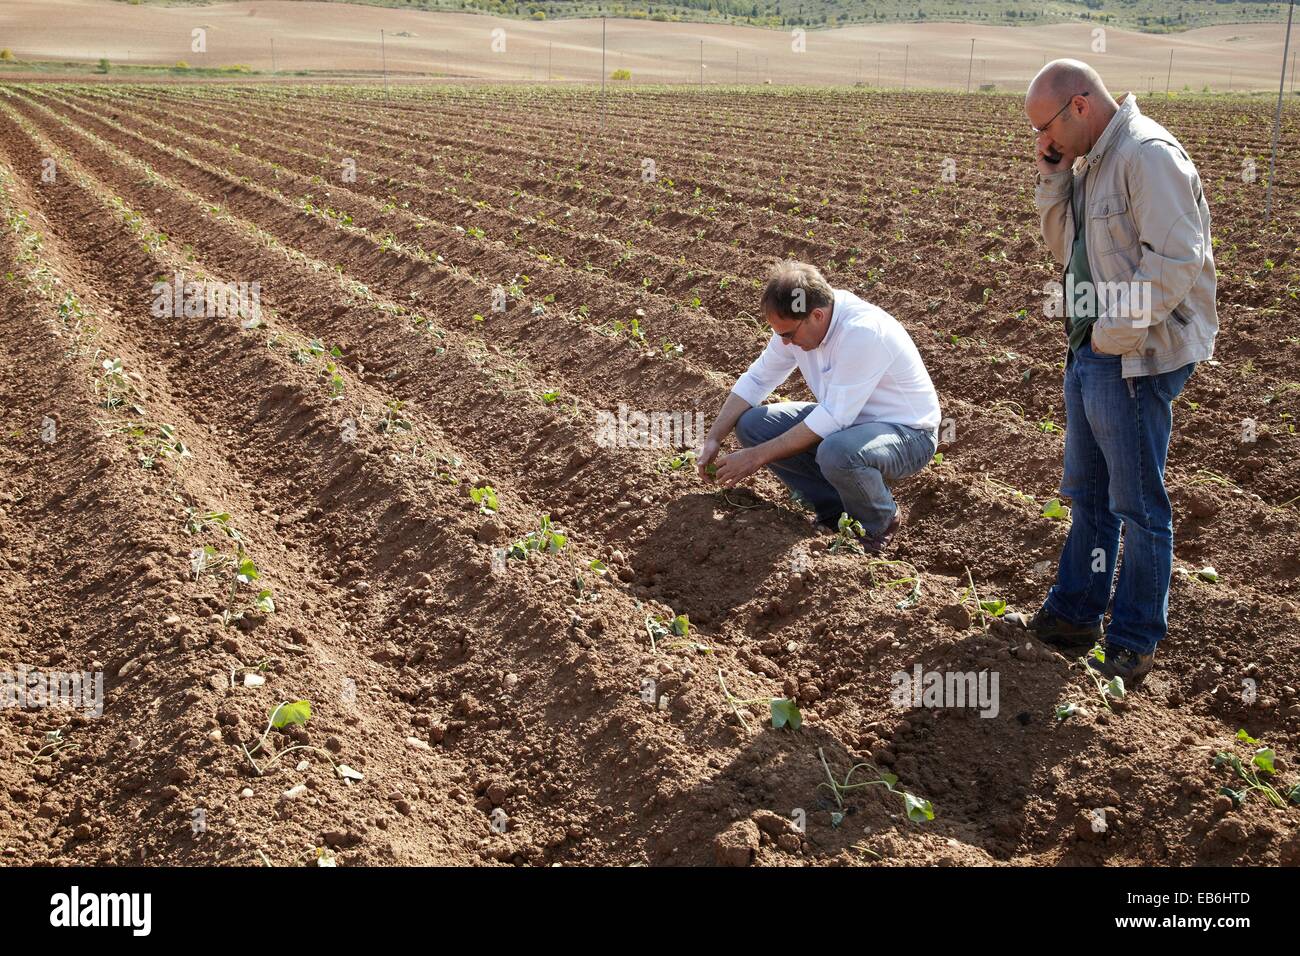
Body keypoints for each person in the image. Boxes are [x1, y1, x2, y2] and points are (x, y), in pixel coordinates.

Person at [1020, 59, 1218, 684]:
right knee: (1088, 497)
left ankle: (1132, 640)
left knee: (1136, 505)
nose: (1043, 142)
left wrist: (1110, 337)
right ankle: (1077, 614)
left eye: (1046, 128)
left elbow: (1176, 260)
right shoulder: (1090, 164)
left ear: (1080, 105)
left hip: (1132, 355)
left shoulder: (1145, 154)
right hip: (1091, 348)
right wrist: (1053, 181)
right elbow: (1066, 252)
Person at [697, 261, 941, 553]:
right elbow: (758, 379)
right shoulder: (798, 324)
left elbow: (834, 418)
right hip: (849, 426)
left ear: (816, 315)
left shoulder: (862, 332)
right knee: (753, 425)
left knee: (837, 451)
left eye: (788, 335)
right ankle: (834, 511)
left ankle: (879, 521)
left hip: (908, 434)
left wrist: (756, 457)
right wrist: (713, 438)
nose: (785, 343)